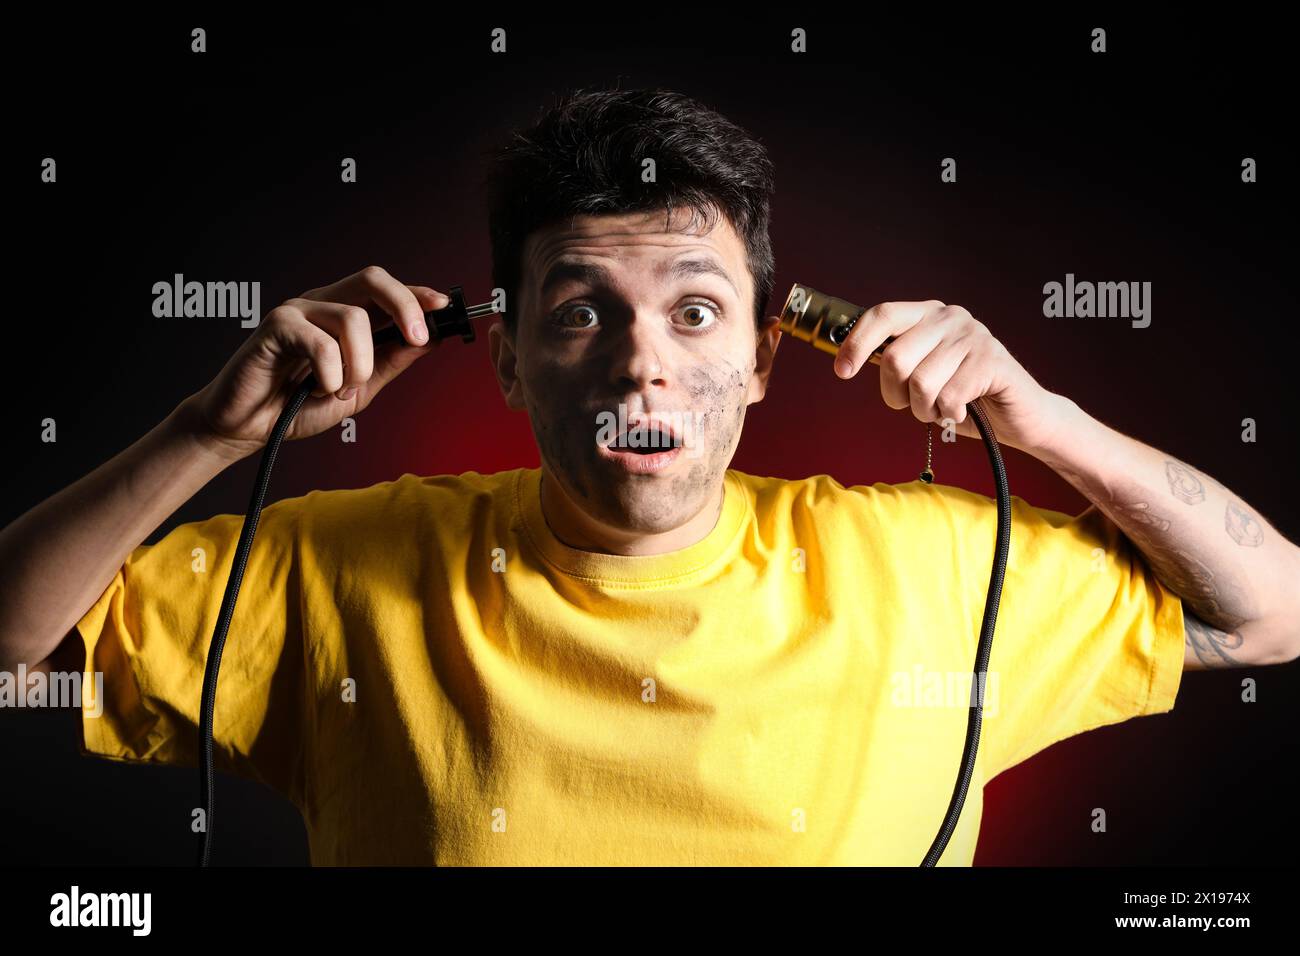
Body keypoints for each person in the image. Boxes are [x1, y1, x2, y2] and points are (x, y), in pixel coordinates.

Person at [3, 88, 1297, 866]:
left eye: (691, 312)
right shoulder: (339, 567)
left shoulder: (934, 567)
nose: (640, 368)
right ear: (504, 361)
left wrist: (1051, 424)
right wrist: (205, 436)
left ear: (762, 357)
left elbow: (1272, 612)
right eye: (579, 313)